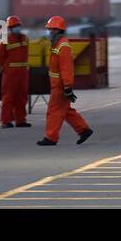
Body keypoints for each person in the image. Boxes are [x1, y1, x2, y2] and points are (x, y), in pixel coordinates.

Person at [37, 16, 94, 147]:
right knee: (65, 110)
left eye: (50, 29)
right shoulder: (57, 43)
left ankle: (51, 137)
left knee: (54, 111)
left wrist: (67, 87)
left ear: (57, 30)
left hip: (60, 85)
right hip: (58, 84)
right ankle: (84, 130)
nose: (48, 32)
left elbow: (66, 68)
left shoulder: (63, 46)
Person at [0, 15, 31, 128]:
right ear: (10, 28)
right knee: (8, 97)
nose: (17, 28)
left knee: (22, 97)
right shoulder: (5, 40)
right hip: (10, 73)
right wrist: (5, 68)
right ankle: (6, 121)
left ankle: (20, 120)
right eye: (14, 26)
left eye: (18, 26)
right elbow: (0, 57)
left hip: (23, 73)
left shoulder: (25, 38)